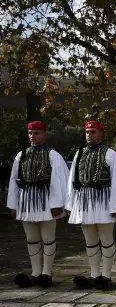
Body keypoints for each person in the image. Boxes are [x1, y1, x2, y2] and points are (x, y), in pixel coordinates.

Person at [66, 120, 116, 290]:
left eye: (93, 132)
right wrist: (70, 204)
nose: (89, 135)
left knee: (106, 239)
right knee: (90, 240)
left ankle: (106, 275)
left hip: (104, 201)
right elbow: (73, 181)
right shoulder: (79, 154)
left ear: (101, 134)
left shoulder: (110, 154)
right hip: (84, 201)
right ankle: (94, 274)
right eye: (87, 132)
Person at [8, 121, 70, 288]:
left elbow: (59, 181)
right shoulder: (21, 155)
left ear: (44, 134)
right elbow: (14, 180)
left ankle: (46, 273)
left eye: (36, 133)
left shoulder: (53, 155)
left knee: (48, 238)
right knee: (32, 239)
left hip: (47, 202)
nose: (32, 136)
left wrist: (58, 204)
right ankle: (35, 272)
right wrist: (13, 205)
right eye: (30, 133)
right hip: (26, 202)